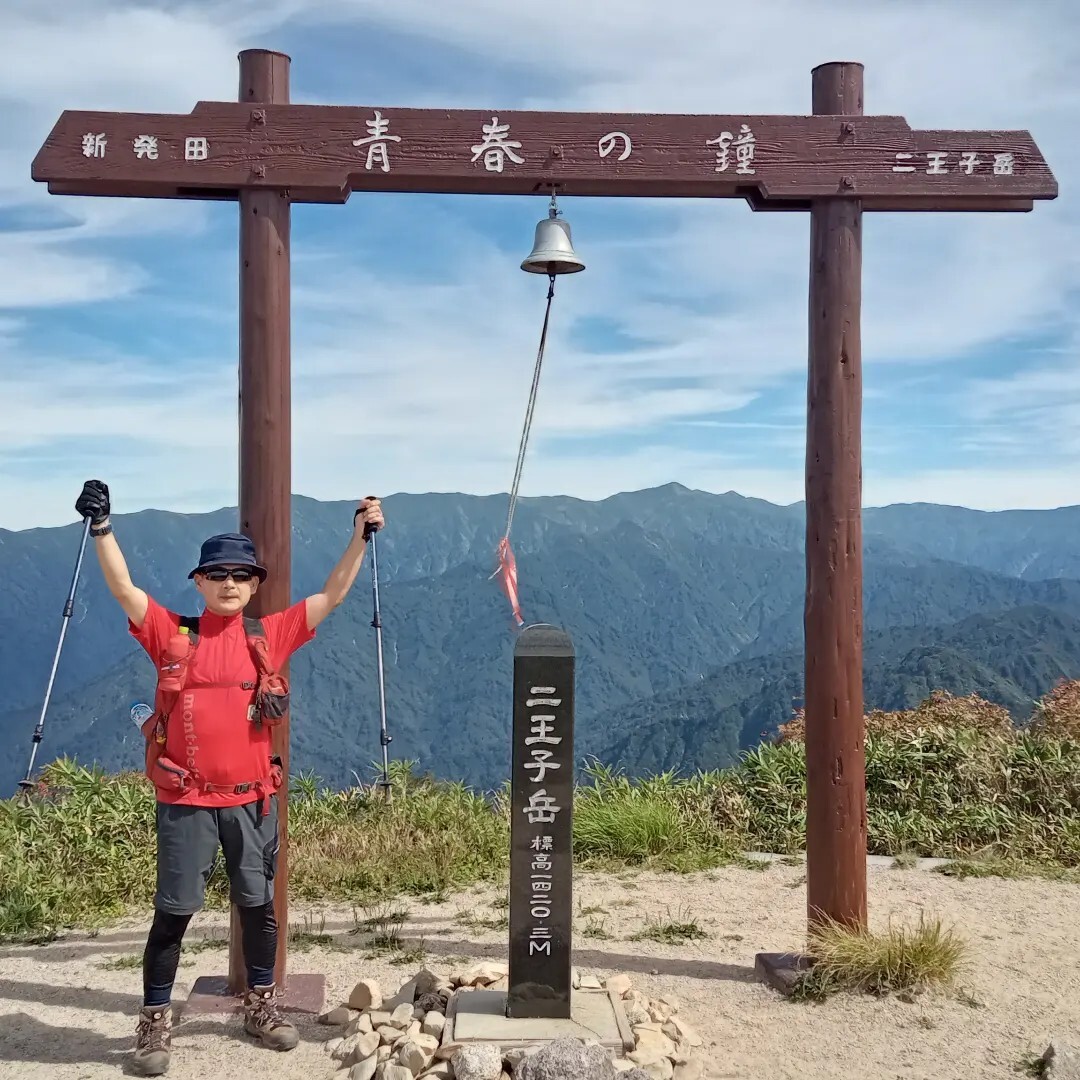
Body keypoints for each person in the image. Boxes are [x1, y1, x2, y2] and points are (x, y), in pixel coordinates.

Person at [73, 479, 385, 1077]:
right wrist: (102, 527)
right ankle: (155, 1020)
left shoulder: (269, 634)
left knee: (257, 906)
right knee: (174, 913)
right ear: (199, 581)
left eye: (241, 575)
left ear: (254, 584)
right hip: (187, 799)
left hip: (251, 800)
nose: (229, 584)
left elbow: (334, 595)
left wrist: (358, 538)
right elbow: (121, 588)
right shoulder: (174, 634)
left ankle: (261, 1004)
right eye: (218, 575)